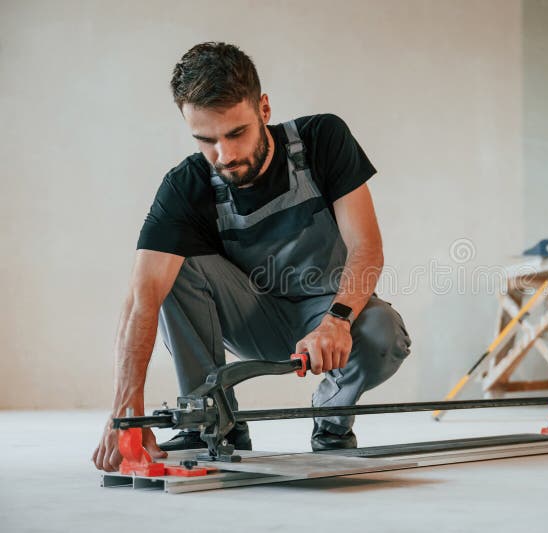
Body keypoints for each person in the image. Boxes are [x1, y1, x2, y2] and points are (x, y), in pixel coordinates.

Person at [92, 42, 412, 472]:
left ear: (263, 109)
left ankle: (331, 418)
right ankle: (210, 417)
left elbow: (366, 247)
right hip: (253, 316)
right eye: (207, 140)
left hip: (327, 315)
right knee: (169, 269)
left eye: (236, 133)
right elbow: (141, 298)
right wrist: (125, 412)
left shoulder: (322, 140)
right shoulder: (186, 186)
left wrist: (337, 320)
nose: (224, 155)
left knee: (384, 332)